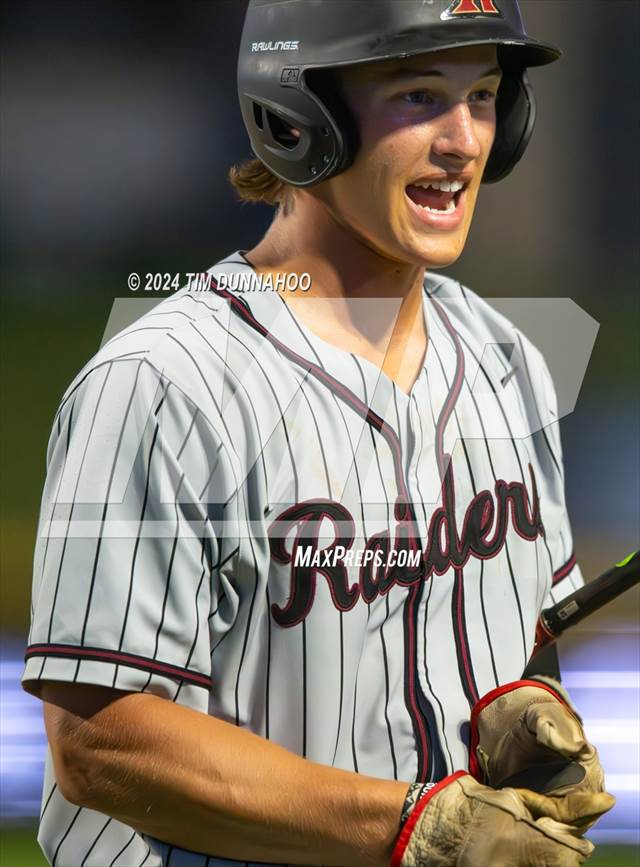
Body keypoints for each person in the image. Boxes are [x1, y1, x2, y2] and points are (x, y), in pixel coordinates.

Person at [22, 1, 614, 865]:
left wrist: (526, 711)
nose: (465, 140)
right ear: (301, 119)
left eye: (484, 96)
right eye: (418, 96)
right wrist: (411, 824)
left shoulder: (508, 361)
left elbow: (527, 645)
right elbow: (99, 741)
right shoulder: (159, 383)